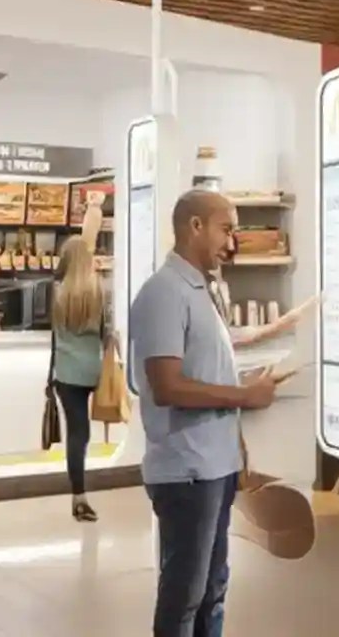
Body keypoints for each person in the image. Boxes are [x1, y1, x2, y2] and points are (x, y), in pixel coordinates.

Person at [129, 190, 279, 637]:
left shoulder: (203, 290)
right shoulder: (164, 293)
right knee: (184, 595)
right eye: (226, 229)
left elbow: (203, 370)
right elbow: (167, 385)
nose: (231, 243)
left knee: (212, 590)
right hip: (186, 473)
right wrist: (243, 396)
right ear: (194, 226)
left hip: (214, 468)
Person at [49, 237, 114, 522]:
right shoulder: (99, 291)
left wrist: (49, 375)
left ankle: (79, 496)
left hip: (66, 372)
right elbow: (106, 334)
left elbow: (53, 337)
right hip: (93, 370)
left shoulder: (56, 292)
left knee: (77, 433)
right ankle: (81, 495)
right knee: (84, 434)